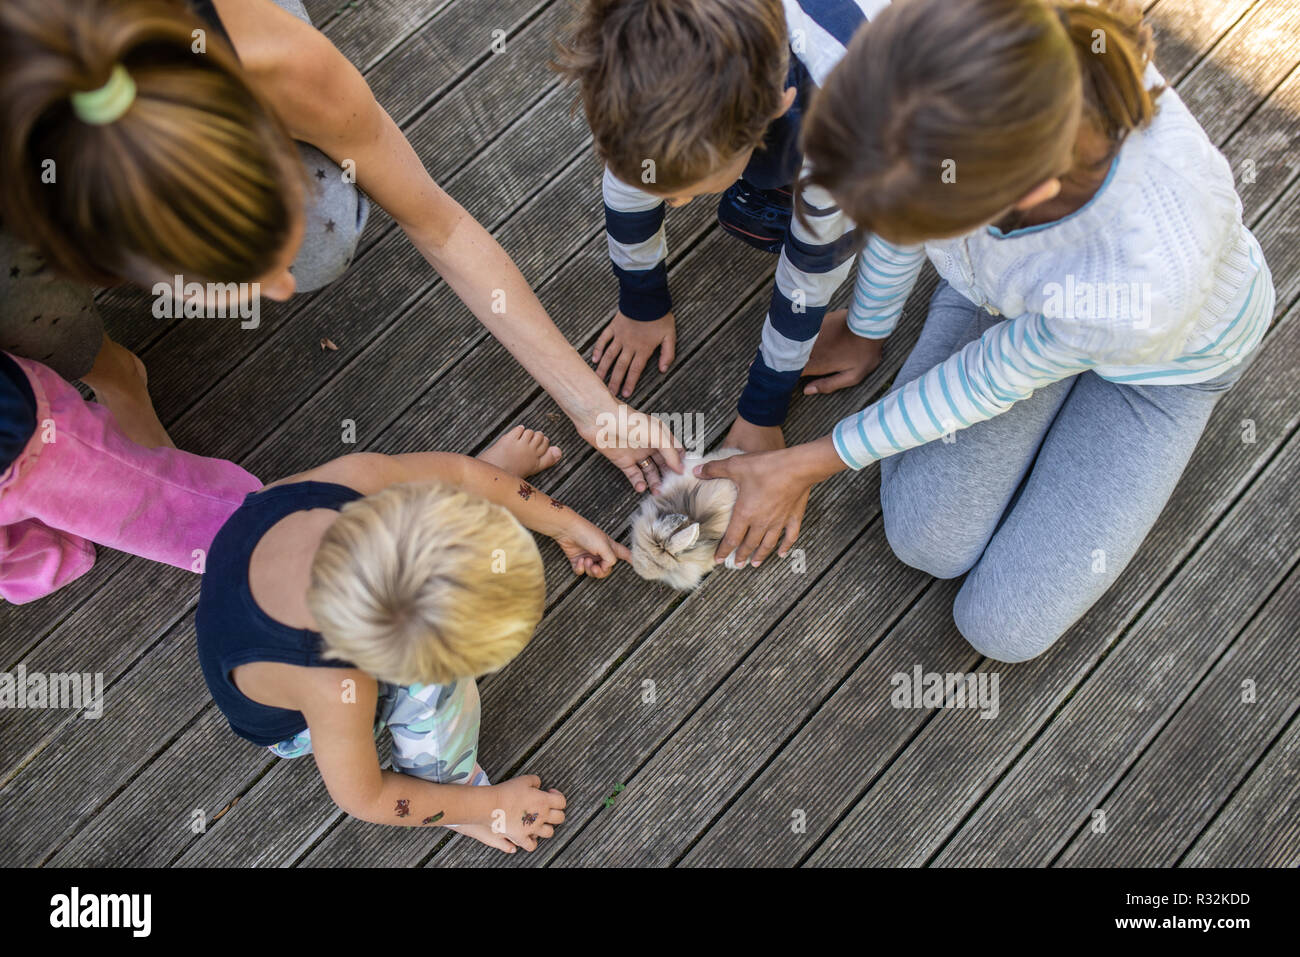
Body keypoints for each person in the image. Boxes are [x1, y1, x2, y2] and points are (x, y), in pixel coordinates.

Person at [699, 0, 1275, 661]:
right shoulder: (960, 71)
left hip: (1164, 366)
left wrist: (802, 465)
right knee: (924, 538)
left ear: (1020, 195)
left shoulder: (1144, 278)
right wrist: (867, 327)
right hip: (1009, 297)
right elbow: (899, 205)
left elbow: (988, 378)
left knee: (1002, 628)